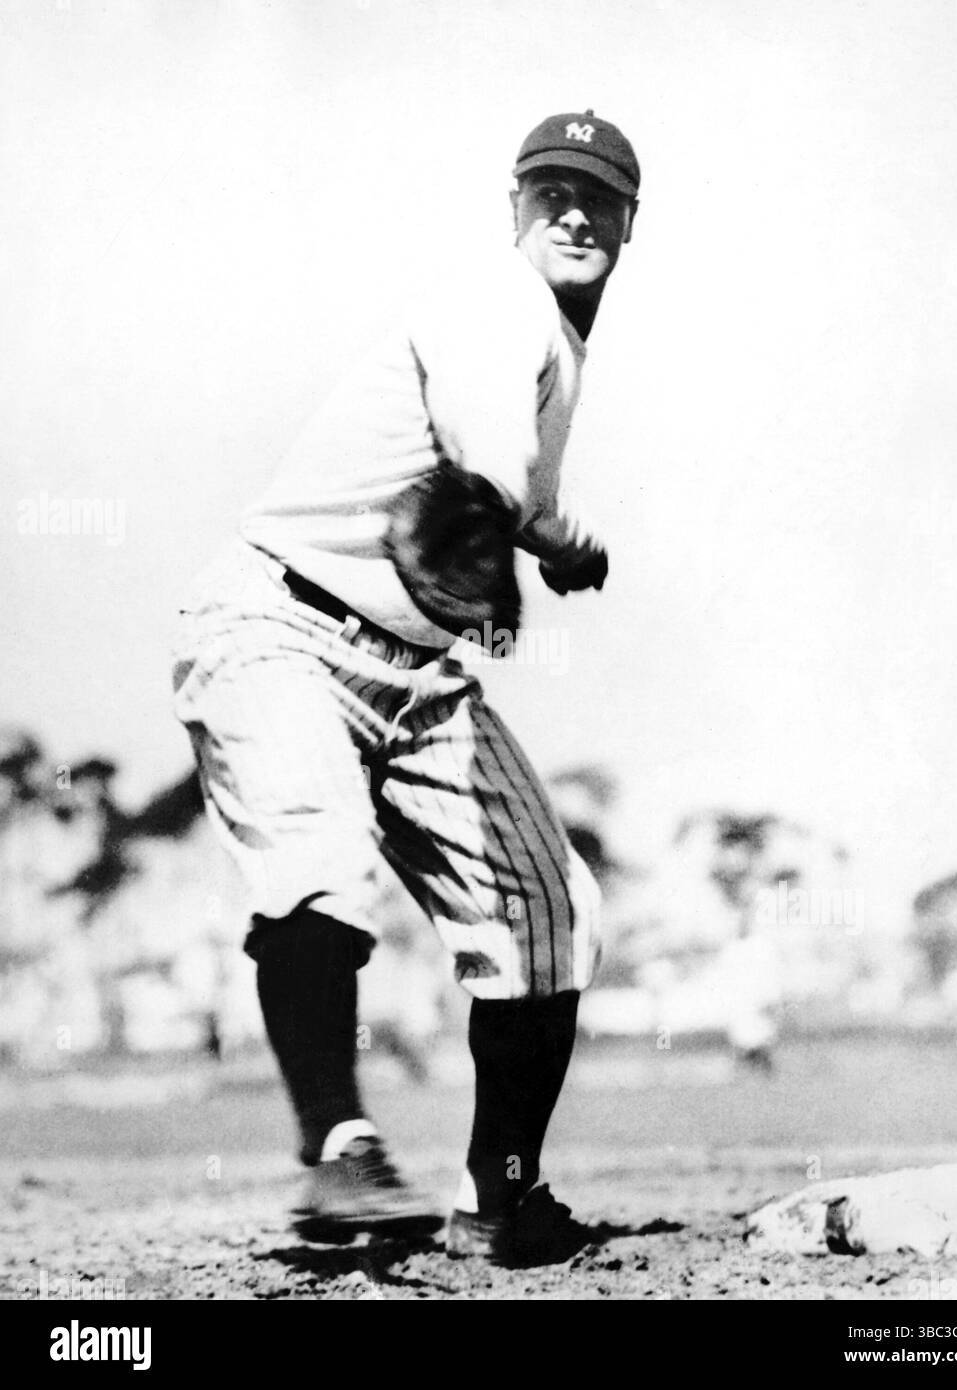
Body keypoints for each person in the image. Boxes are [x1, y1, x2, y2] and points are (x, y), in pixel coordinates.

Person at [171, 109, 640, 1265]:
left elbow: (512, 489)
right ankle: (340, 1152)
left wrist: (560, 541)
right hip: (280, 625)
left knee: (551, 916)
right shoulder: (501, 305)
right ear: (516, 211)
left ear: (631, 222)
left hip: (414, 675)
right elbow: (483, 456)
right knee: (321, 867)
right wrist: (496, 513)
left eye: (598, 196)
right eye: (550, 193)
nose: (572, 211)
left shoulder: (562, 345)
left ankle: (507, 1192)